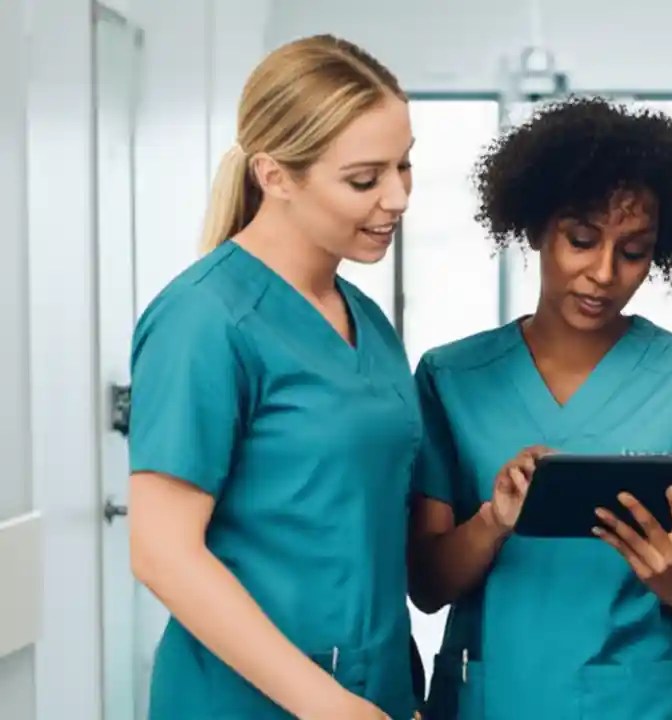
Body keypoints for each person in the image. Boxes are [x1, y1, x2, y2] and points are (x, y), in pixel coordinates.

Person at [408, 96, 672, 719]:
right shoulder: (451, 377)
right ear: (538, 226)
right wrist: (494, 520)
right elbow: (427, 587)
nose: (603, 273)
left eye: (633, 251)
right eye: (582, 239)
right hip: (490, 700)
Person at [128, 35, 421, 720]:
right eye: (364, 178)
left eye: (405, 166)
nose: (398, 197)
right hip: (246, 702)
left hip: (375, 691)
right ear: (275, 175)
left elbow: (367, 533)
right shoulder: (204, 319)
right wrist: (329, 706)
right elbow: (162, 553)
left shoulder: (368, 321)